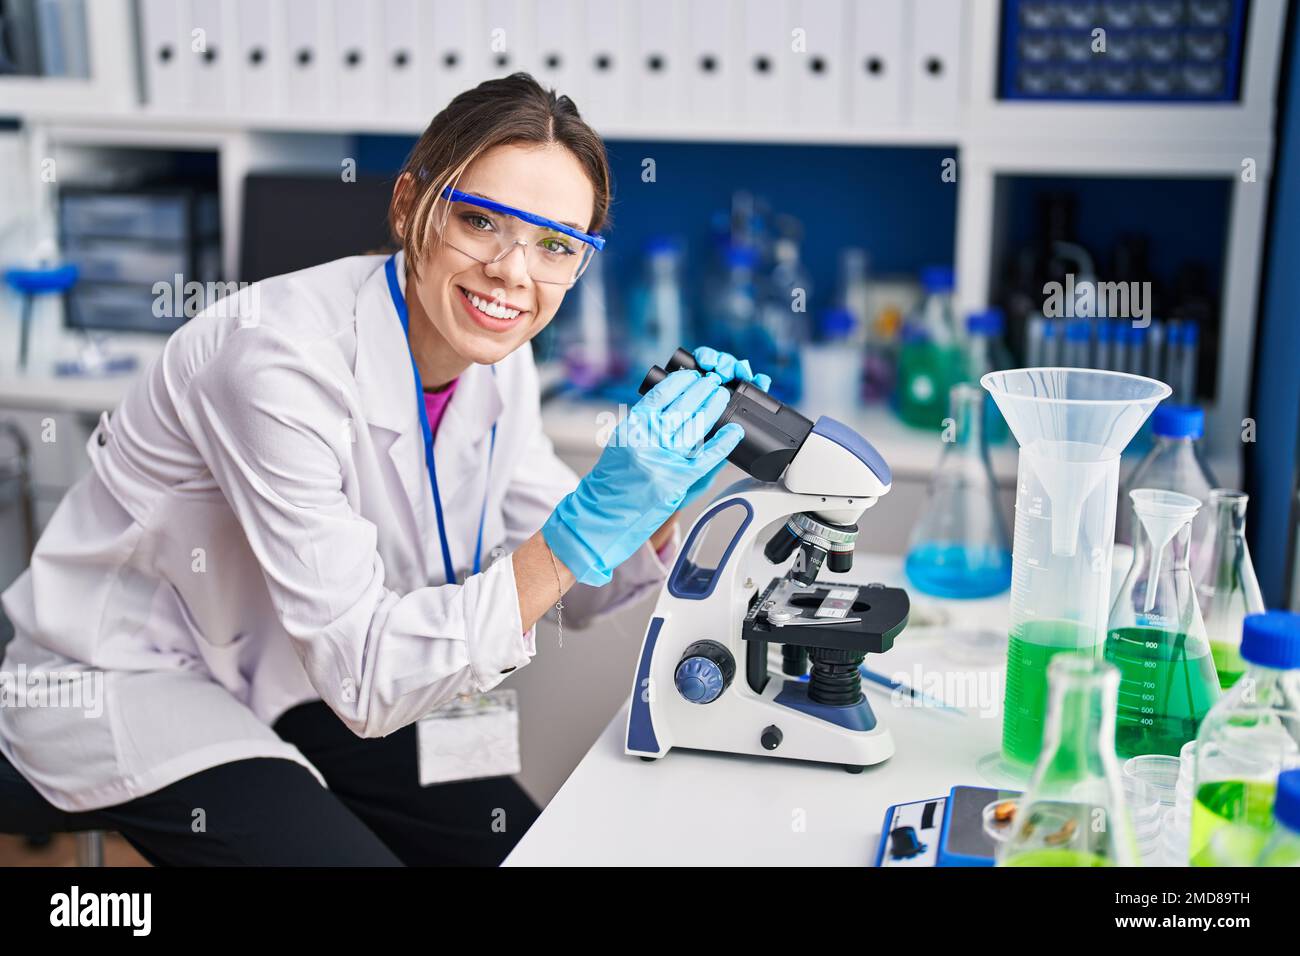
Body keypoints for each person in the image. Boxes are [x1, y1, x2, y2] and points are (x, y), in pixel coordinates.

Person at [0, 74, 768, 866]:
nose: (512, 272)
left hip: (300, 668)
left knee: (520, 849)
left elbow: (576, 592)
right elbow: (371, 677)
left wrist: (663, 493)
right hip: (133, 675)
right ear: (409, 206)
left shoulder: (495, 358)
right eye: (478, 220)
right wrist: (577, 536)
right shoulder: (276, 361)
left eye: (554, 246)